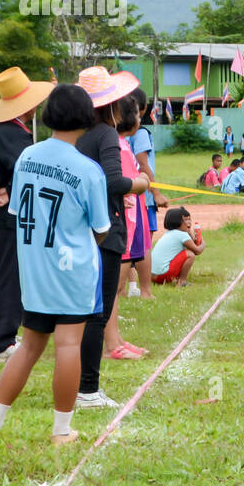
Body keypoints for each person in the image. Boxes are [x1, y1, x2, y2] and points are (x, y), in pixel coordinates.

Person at [0, 84, 112, 445]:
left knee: (30, 345)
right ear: (86, 118)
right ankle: (62, 431)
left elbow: (18, 212)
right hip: (72, 271)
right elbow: (101, 229)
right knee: (68, 345)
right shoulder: (88, 169)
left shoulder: (28, 157)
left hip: (34, 270)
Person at [74, 67, 148, 410]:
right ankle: (88, 389)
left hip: (80, 228)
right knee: (96, 312)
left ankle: (79, 385)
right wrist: (141, 185)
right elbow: (112, 182)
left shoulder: (78, 134)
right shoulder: (105, 133)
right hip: (107, 227)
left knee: (80, 310)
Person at [0, 67, 54, 364]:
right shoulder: (12, 135)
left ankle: (0, 335)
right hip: (5, 217)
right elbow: (25, 173)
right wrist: (10, 189)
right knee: (7, 279)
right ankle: (2, 343)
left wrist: (8, 187)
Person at [109, 95, 150, 359]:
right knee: (114, 286)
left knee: (116, 285)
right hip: (123, 222)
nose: (139, 116)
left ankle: (116, 340)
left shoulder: (121, 144)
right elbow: (124, 185)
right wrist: (143, 180)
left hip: (129, 222)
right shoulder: (119, 148)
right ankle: (113, 346)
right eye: (136, 112)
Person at [125, 88, 165, 299]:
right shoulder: (141, 133)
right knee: (144, 243)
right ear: (143, 109)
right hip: (143, 197)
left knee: (128, 243)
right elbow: (143, 164)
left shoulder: (121, 134)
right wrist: (156, 193)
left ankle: (128, 288)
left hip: (129, 193)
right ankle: (145, 291)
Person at [151, 207, 206, 287]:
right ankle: (181, 282)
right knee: (190, 254)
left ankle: (176, 279)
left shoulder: (169, 233)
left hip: (152, 277)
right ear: (176, 222)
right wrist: (203, 243)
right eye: (185, 220)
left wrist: (191, 236)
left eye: (189, 219)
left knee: (186, 252)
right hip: (162, 276)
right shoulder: (181, 235)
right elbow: (197, 251)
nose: (189, 222)